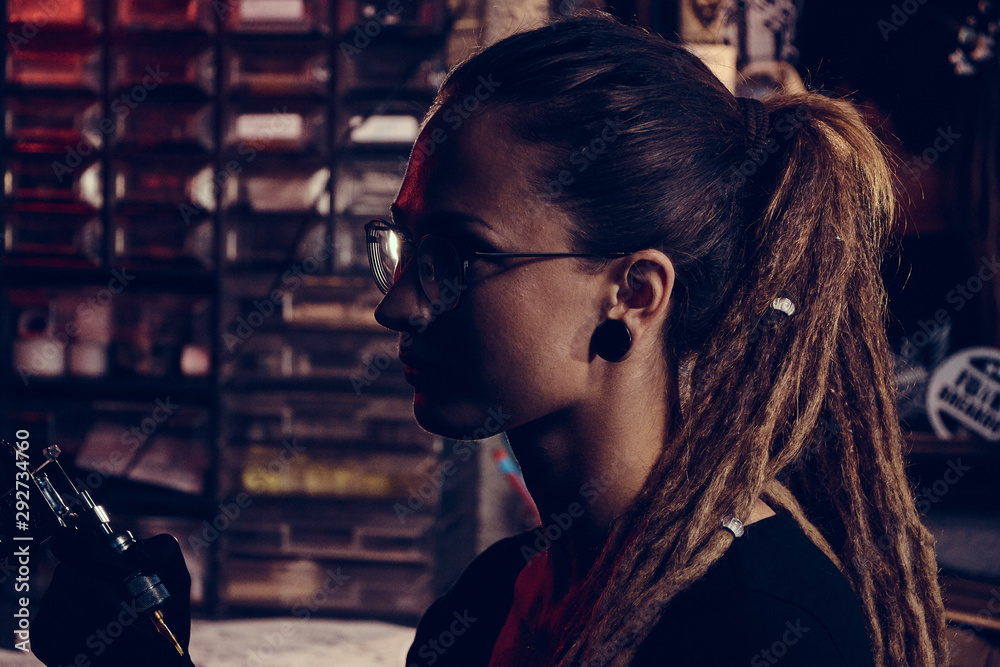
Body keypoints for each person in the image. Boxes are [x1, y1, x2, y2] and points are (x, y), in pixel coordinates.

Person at [30, 11, 948, 667]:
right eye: (402, 248)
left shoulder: (763, 630)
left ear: (632, 291)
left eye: (458, 256)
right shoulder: (485, 605)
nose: (395, 307)